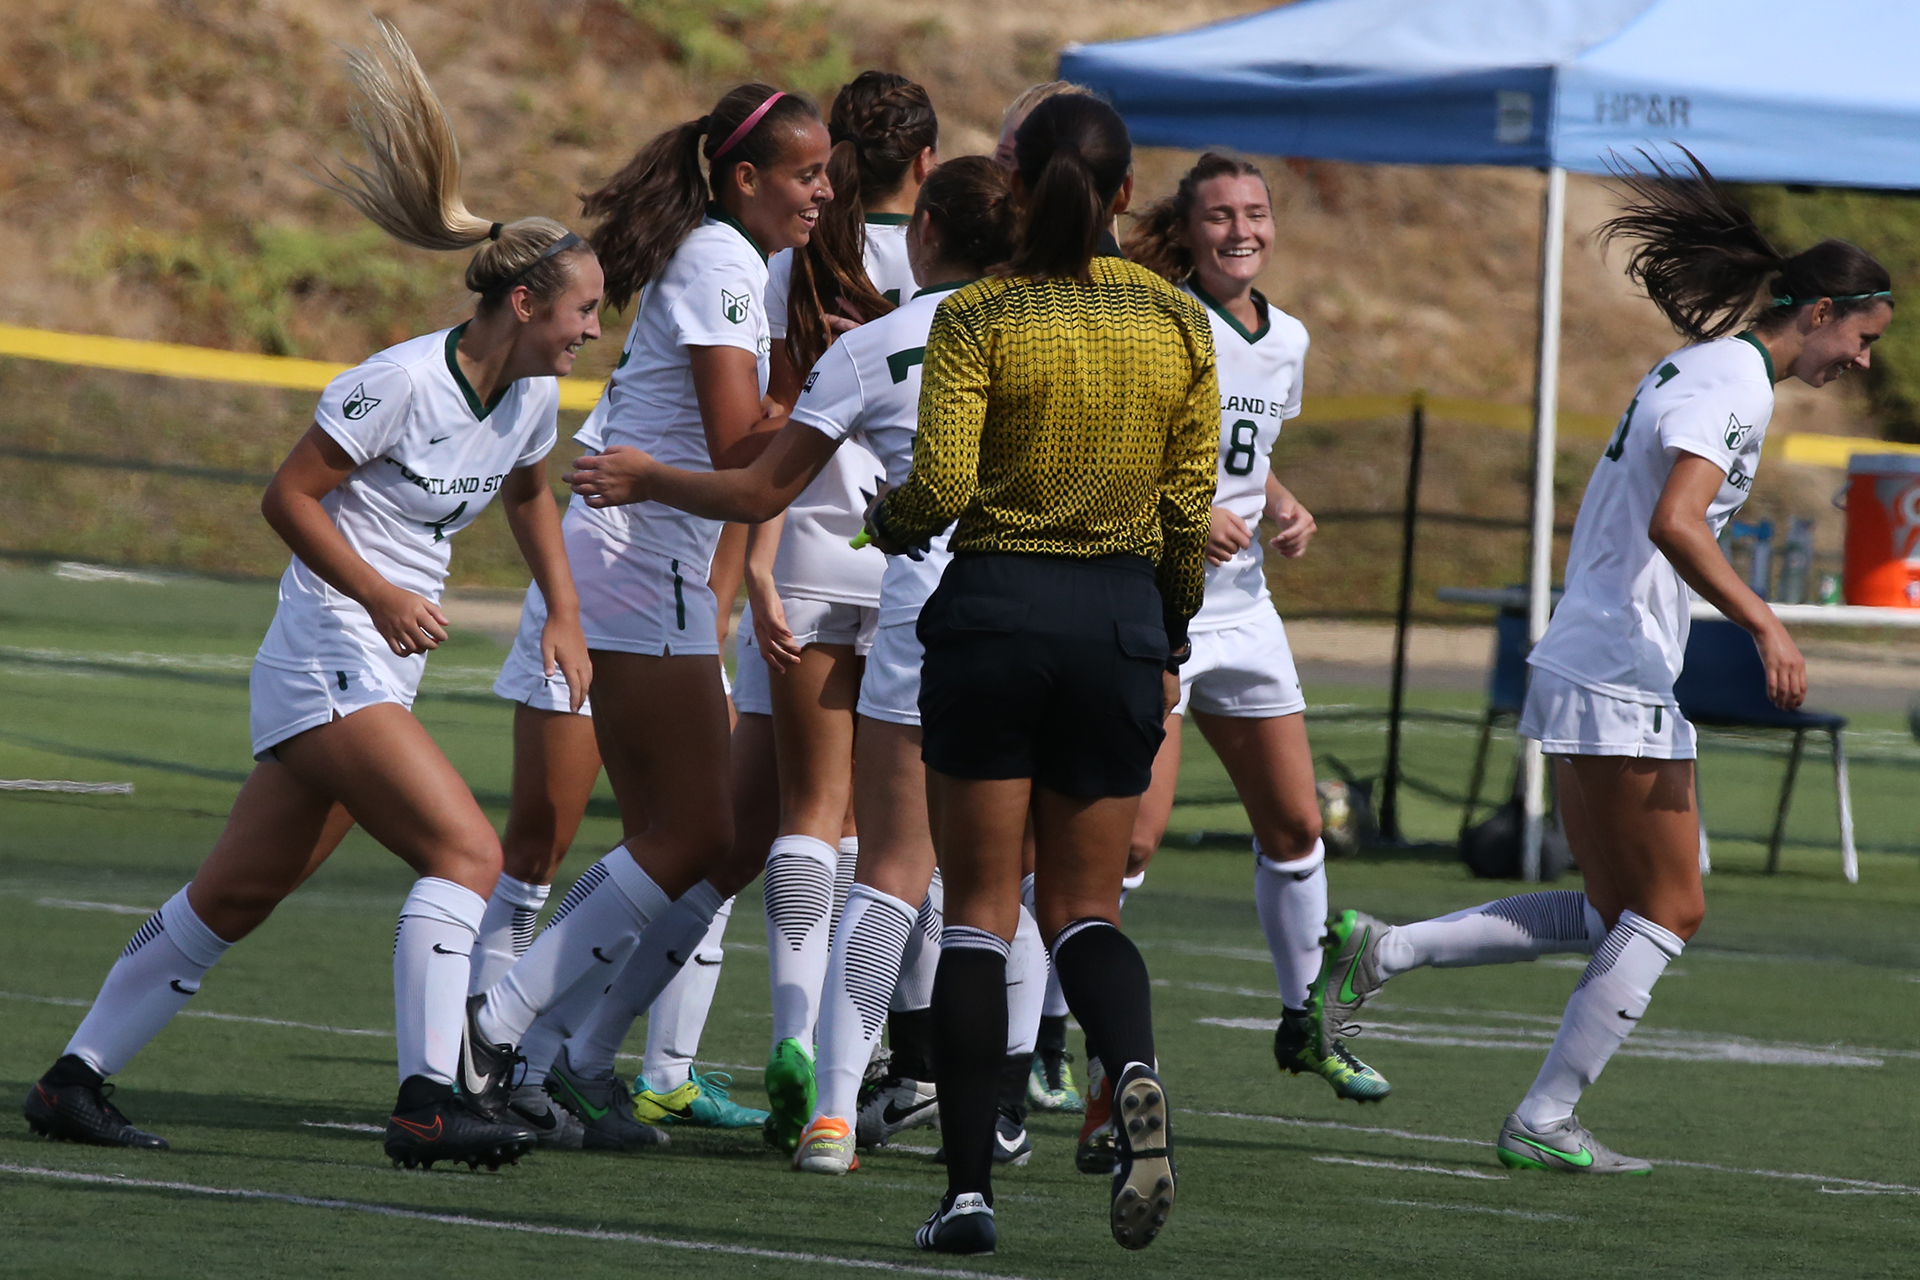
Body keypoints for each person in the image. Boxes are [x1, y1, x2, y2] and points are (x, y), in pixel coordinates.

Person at [20, 19, 597, 1171]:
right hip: (329, 651)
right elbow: (285, 497)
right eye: (584, 308)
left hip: (378, 660)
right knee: (466, 853)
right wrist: (381, 592)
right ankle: (429, 1098)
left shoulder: (530, 395)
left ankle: (71, 1079)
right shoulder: (393, 383)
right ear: (525, 301)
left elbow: (531, 495)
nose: (595, 329)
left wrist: (567, 612)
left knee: (236, 891)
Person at [1308, 150, 1892, 1175]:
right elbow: (1676, 521)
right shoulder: (1731, 381)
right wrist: (1767, 622)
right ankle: (1546, 1111)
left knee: (1612, 909)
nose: (1865, 360)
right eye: (1865, 336)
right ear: (1823, 311)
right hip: (1616, 666)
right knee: (1673, 909)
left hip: (1597, 656)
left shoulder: (1718, 370)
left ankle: (1385, 950)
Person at [567, 156, 1028, 1178]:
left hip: (895, 592)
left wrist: (647, 476)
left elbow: (758, 480)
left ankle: (826, 1101)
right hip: (1060, 617)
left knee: (864, 853)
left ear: (927, 232)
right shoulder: (1071, 337)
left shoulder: (866, 333)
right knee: (1028, 884)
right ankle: (1005, 1098)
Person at [870, 94, 1217, 1254]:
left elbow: (942, 488)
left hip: (997, 615)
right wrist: (1165, 631)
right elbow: (1184, 514)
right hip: (1118, 617)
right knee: (1084, 906)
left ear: (1012, 185)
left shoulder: (980, 314)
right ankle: (1129, 1069)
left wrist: (885, 518)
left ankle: (967, 1191)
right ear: (1127, 196)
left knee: (976, 913)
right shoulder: (1180, 324)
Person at [469, 84, 834, 1116]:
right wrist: (834, 384)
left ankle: (540, 1058)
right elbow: (736, 447)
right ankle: (500, 1022)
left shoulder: (738, 257)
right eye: (806, 174)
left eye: (829, 174)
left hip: (646, 558)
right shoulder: (724, 258)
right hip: (641, 560)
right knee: (692, 831)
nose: (822, 192)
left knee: (683, 832)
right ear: (747, 177)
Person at [1120, 153, 1389, 1114]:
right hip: (1157, 608)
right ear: (1188, 231)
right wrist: (1185, 517)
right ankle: (1053, 1039)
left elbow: (1248, 448)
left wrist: (1282, 501)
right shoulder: (1158, 320)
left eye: (1257, 214)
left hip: (1247, 609)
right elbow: (1116, 450)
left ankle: (1305, 1022)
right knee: (1133, 842)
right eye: (1222, 215)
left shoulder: (1289, 339)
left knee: (1297, 826)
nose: (1244, 230)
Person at [476, 393, 767, 1148]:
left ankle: (561, 1067)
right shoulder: (729, 281)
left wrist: (724, 597)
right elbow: (745, 454)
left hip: (673, 599)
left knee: (699, 842)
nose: (593, 329)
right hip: (619, 586)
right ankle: (488, 1047)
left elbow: (749, 480)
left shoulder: (787, 317)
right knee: (542, 847)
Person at [750, 70, 938, 1150]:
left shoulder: (797, 262)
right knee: (910, 848)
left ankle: (790, 1033)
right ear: (927, 166)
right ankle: (876, 1068)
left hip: (813, 550)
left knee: (810, 814)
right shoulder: (965, 282)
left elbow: (775, 427)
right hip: (921, 574)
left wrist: (757, 568)